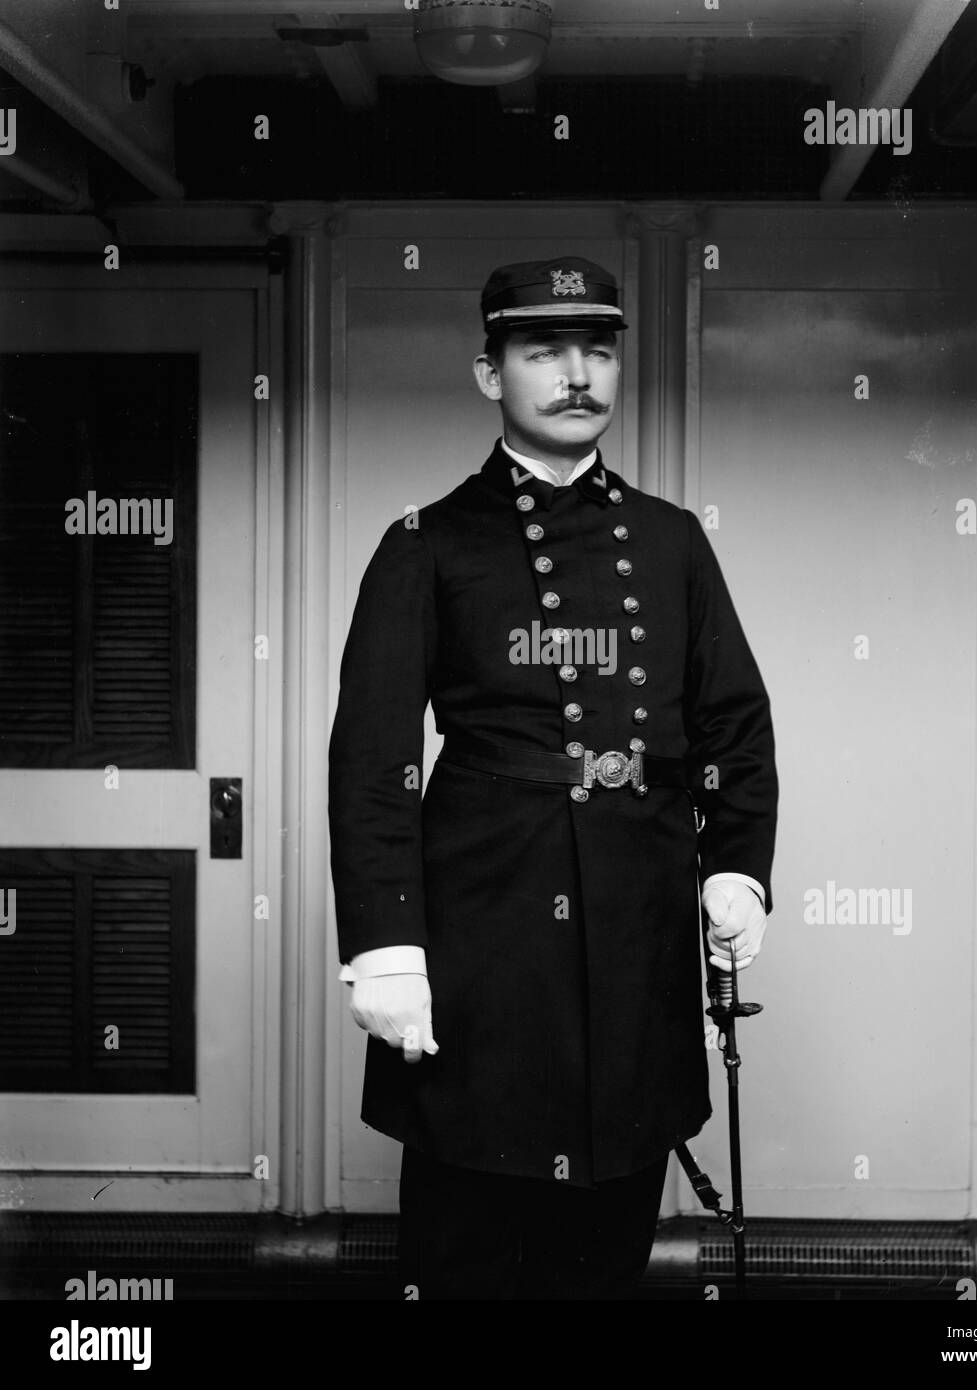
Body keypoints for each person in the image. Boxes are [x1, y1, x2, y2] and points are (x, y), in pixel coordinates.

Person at [328, 256, 778, 1300]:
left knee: (604, 1253)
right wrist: (384, 943)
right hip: (482, 936)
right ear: (490, 374)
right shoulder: (425, 543)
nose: (578, 374)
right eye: (543, 352)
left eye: (598, 350)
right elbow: (373, 759)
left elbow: (733, 724)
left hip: (635, 931)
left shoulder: (670, 541)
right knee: (466, 1251)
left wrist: (736, 868)